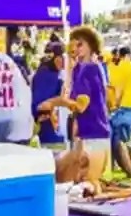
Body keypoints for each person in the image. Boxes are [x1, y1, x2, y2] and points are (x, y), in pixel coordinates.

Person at [47, 27, 111, 185]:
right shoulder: (82, 69)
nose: (75, 48)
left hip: (94, 135)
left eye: (80, 44)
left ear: (91, 46)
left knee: (87, 184)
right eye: (73, 45)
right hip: (89, 133)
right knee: (83, 184)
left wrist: (55, 102)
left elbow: (80, 105)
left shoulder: (89, 69)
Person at [108, 47, 131, 176]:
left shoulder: (122, 67)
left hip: (125, 105)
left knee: (118, 138)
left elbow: (118, 89)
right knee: (125, 138)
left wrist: (114, 105)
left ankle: (130, 170)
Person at [31, 43, 68, 149]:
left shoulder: (43, 74)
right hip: (53, 131)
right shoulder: (49, 76)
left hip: (52, 130)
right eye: (60, 57)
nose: (62, 61)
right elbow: (40, 105)